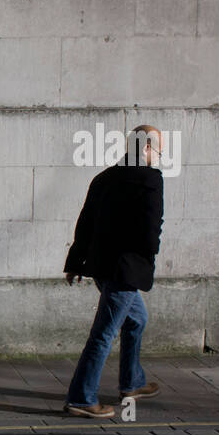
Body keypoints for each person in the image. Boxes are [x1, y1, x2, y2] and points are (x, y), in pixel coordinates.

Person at [62, 125, 166, 418]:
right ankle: (81, 398)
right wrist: (148, 258)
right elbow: (151, 226)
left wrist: (74, 263)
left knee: (137, 320)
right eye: (159, 151)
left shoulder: (104, 178)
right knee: (104, 334)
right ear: (146, 148)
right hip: (126, 269)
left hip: (101, 267)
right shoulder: (149, 179)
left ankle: (132, 382)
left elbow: (85, 223)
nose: (159, 158)